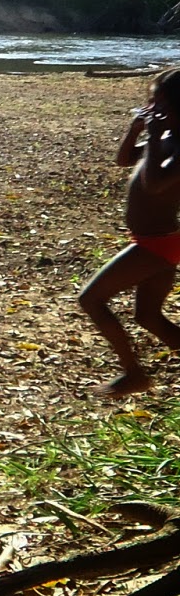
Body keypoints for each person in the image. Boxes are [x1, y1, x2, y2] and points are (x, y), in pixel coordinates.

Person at [79, 68, 180, 397]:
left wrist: (152, 136)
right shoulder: (165, 137)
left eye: (156, 101)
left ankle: (134, 374)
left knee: (91, 299)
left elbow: (154, 185)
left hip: (160, 243)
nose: (150, 106)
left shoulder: (177, 142)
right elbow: (124, 160)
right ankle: (135, 374)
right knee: (148, 315)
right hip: (155, 241)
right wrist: (136, 130)